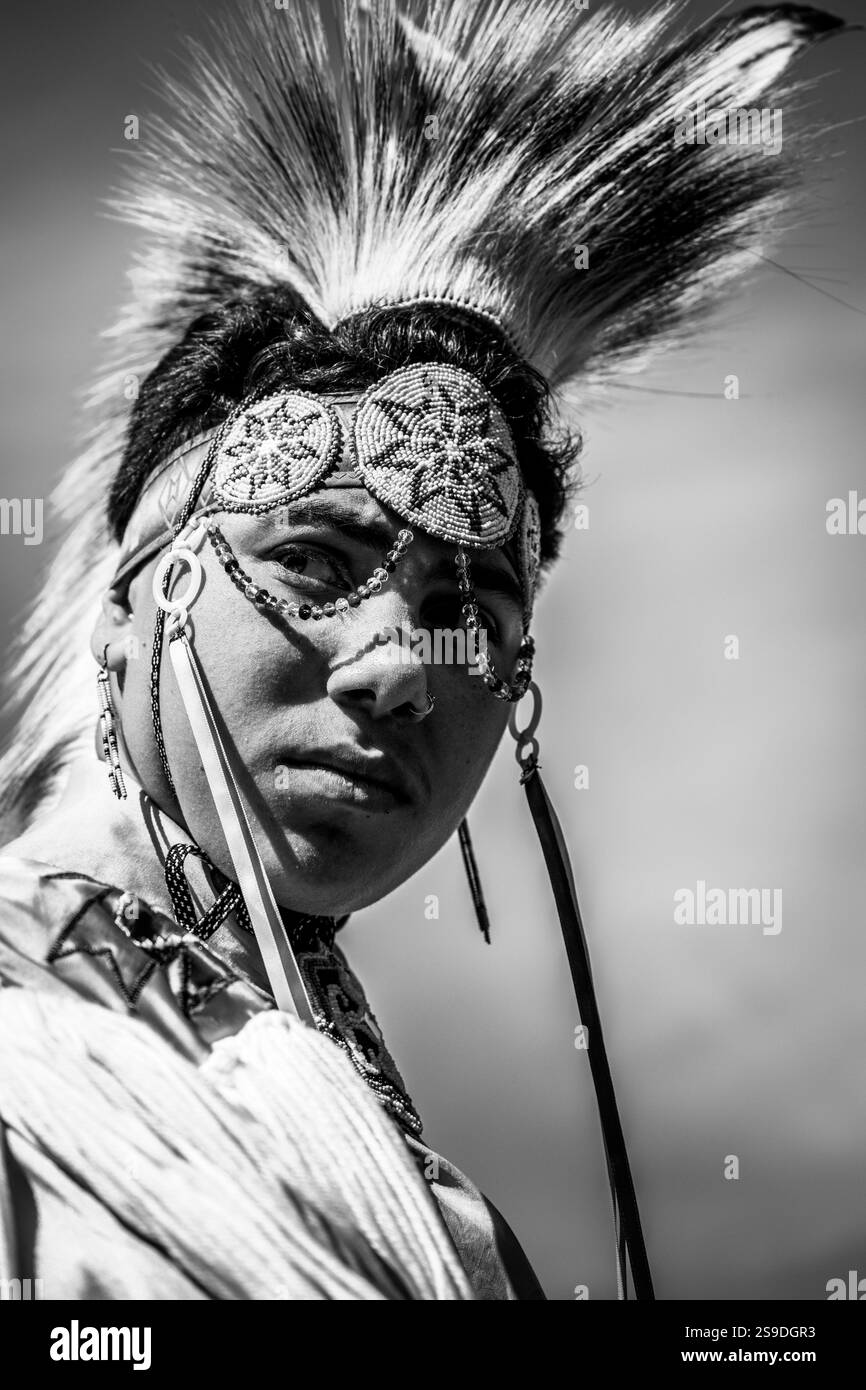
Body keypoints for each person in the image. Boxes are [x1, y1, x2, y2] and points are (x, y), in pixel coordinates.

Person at [0, 0, 846, 1301]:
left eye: (474, 616)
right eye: (316, 563)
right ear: (129, 602)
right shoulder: (33, 1067)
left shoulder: (436, 1214)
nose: (400, 669)